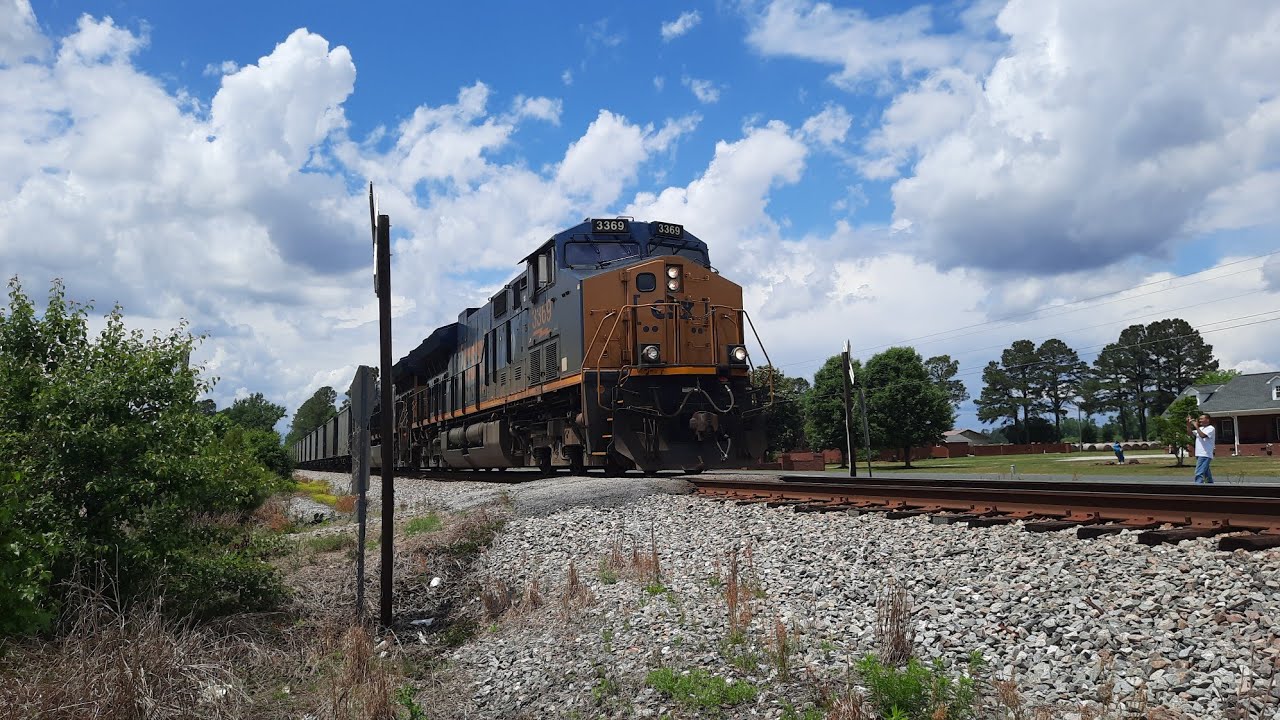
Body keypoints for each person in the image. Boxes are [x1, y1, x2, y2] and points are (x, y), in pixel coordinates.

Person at [1186, 414, 1216, 484]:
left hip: (1205, 454)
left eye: (1202, 419)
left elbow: (1202, 436)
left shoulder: (1211, 428)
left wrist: (1196, 426)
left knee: (1199, 472)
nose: (1200, 420)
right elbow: (1189, 434)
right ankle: (1211, 485)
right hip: (1199, 454)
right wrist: (1188, 424)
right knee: (1206, 473)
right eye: (1199, 419)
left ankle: (1198, 487)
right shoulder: (1201, 428)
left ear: (1207, 420)